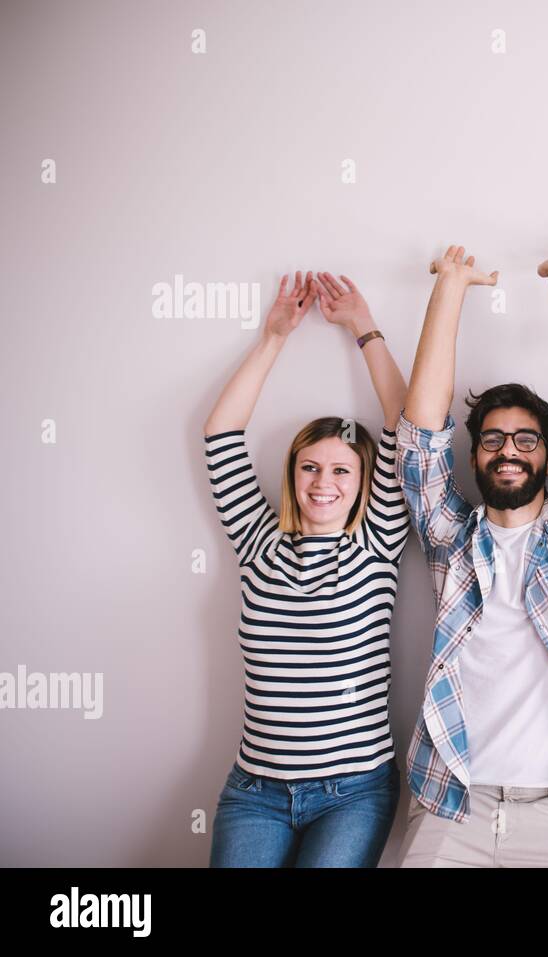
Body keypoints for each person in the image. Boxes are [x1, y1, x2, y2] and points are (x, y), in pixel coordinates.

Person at [394, 237, 548, 868]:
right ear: (473, 456)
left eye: (527, 440)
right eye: (493, 438)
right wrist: (450, 285)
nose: (508, 449)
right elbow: (419, 437)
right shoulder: (449, 535)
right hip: (453, 803)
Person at [204, 270, 410, 867]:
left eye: (342, 470)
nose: (324, 482)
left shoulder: (378, 542)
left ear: (363, 483)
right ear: (293, 474)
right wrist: (273, 337)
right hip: (255, 790)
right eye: (310, 468)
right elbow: (220, 433)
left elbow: (404, 424)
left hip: (352, 791)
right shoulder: (257, 539)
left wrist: (364, 328)